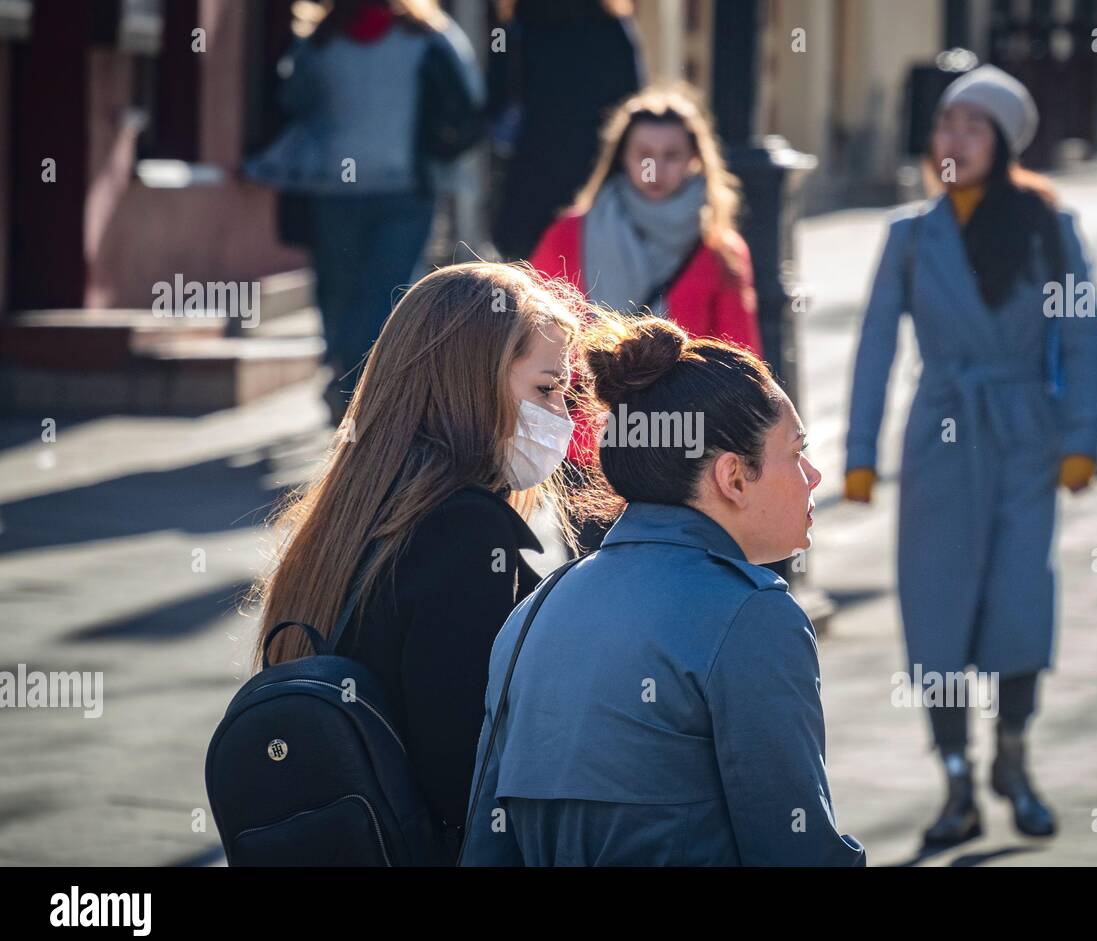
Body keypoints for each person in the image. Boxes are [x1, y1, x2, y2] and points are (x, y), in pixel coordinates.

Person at [460, 317, 865, 866]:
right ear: (733, 478)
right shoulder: (752, 613)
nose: (813, 476)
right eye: (795, 452)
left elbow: (487, 847)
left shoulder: (536, 609)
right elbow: (794, 851)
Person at [843, 65, 1097, 847]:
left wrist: (1080, 436)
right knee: (936, 607)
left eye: (972, 125)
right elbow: (874, 349)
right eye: (945, 124)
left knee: (1020, 601)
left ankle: (1015, 760)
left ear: (1002, 141)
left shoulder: (1049, 227)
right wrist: (860, 452)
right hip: (940, 434)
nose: (953, 138)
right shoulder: (907, 235)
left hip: (1026, 433)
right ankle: (956, 781)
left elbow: (1084, 337)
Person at [250, 262, 582, 864]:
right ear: (469, 382)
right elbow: (465, 775)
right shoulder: (465, 534)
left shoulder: (358, 512)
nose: (563, 416)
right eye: (546, 389)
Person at [531, 84, 764, 553]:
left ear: (696, 159)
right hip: (588, 450)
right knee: (596, 586)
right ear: (621, 156)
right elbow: (532, 335)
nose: (656, 168)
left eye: (672, 154)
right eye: (643, 153)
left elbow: (741, 360)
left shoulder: (721, 251)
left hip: (684, 456)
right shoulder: (568, 233)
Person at [244, 0, 482, 423]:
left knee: (338, 290)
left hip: (334, 187)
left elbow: (292, 99)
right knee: (385, 290)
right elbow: (470, 99)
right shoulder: (430, 34)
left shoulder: (320, 39)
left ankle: (346, 378)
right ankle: (360, 389)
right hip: (404, 186)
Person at [487, 0, 645, 261]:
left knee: (528, 272)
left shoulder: (510, 31)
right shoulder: (614, 27)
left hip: (531, 171)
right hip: (595, 172)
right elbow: (633, 102)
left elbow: (495, 99)